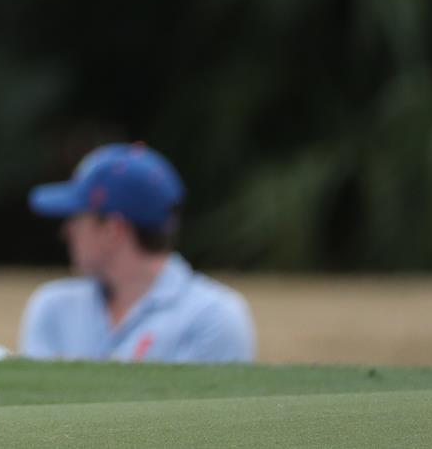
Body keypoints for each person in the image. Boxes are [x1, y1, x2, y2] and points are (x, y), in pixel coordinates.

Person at [20, 142, 256, 363]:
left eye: (77, 219)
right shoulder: (52, 308)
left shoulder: (211, 318)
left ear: (112, 230)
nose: (66, 232)